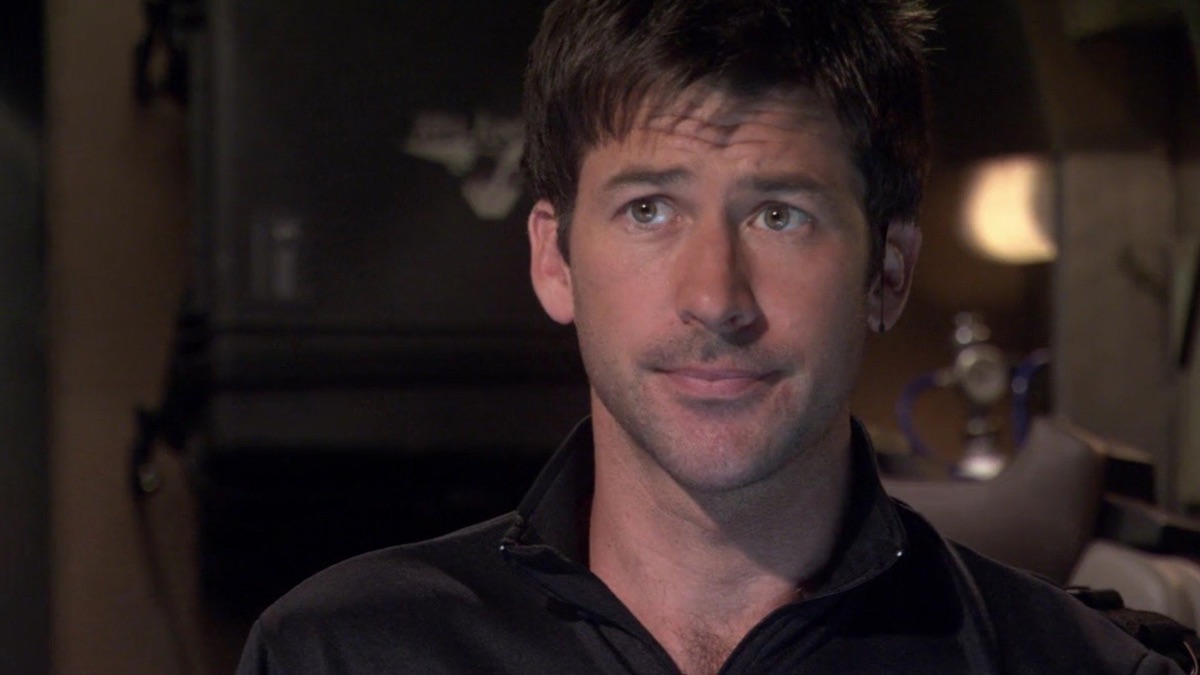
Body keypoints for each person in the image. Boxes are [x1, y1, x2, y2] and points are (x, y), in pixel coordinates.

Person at [236, 1, 1185, 673]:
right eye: (650, 208)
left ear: (888, 272)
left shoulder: (1072, 665)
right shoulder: (341, 651)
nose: (714, 297)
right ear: (554, 261)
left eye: (780, 214)